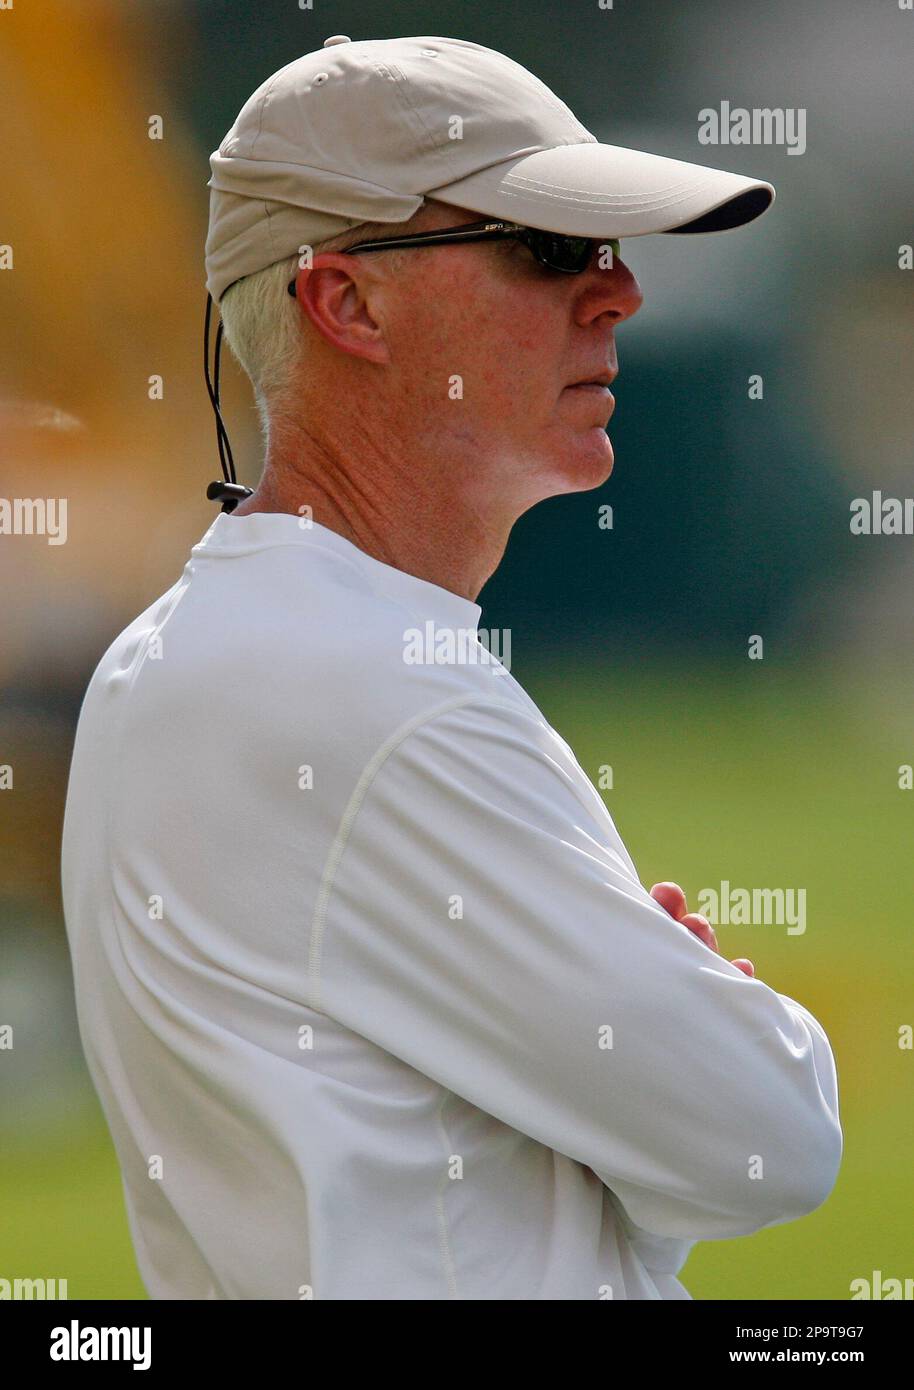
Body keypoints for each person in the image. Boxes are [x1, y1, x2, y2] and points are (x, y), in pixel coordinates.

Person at [61, 35, 841, 1300]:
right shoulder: (369, 692)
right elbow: (772, 1140)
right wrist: (700, 1034)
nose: (618, 292)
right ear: (343, 303)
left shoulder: (191, 654)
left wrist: (636, 1103)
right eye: (545, 248)